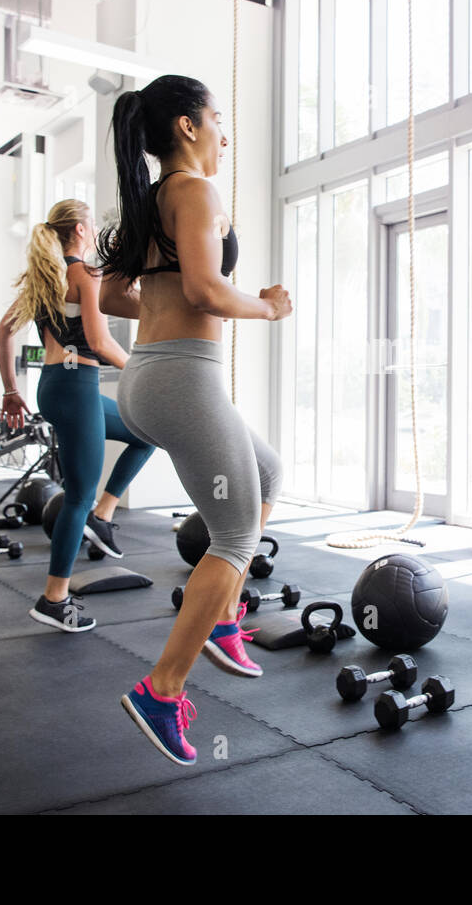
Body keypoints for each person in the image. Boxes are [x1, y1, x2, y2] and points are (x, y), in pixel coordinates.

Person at [97, 74, 291, 767]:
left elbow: (117, 292)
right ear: (186, 126)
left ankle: (227, 614)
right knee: (236, 534)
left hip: (151, 372)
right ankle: (161, 688)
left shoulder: (153, 199)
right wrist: (266, 306)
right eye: (216, 118)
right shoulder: (195, 192)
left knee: (268, 470)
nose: (224, 133)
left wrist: (166, 310)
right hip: (180, 374)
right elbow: (207, 289)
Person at [0, 198, 158, 633]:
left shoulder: (42, 277)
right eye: (91, 223)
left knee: (146, 433)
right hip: (78, 388)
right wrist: (141, 370)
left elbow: (2, 332)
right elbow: (99, 341)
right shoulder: (84, 274)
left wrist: (12, 390)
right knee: (77, 497)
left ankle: (103, 517)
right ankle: (53, 599)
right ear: (82, 230)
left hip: (53, 387)